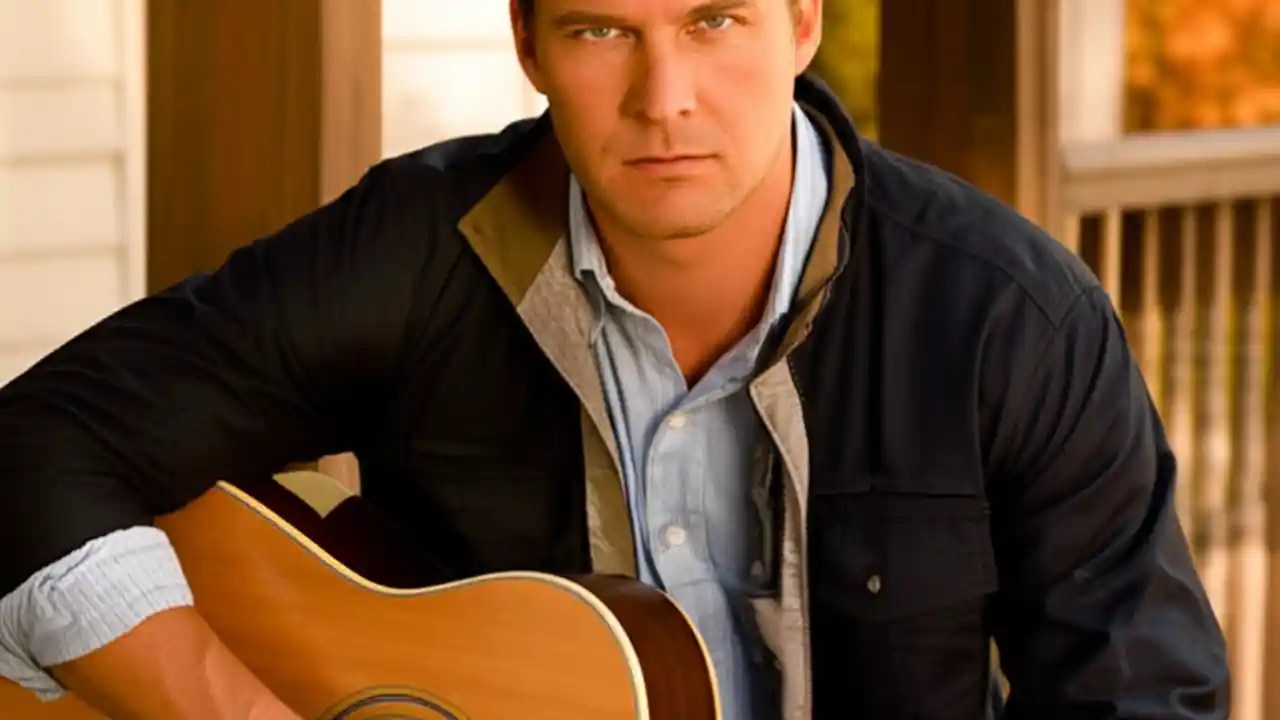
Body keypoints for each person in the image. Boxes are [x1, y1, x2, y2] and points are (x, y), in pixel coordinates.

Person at [0, 0, 1230, 717]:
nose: (664, 96)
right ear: (529, 47)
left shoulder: (1007, 320)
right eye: (601, 28)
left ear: (801, 20)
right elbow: (36, 446)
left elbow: (1139, 695)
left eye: (712, 19)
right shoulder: (414, 252)